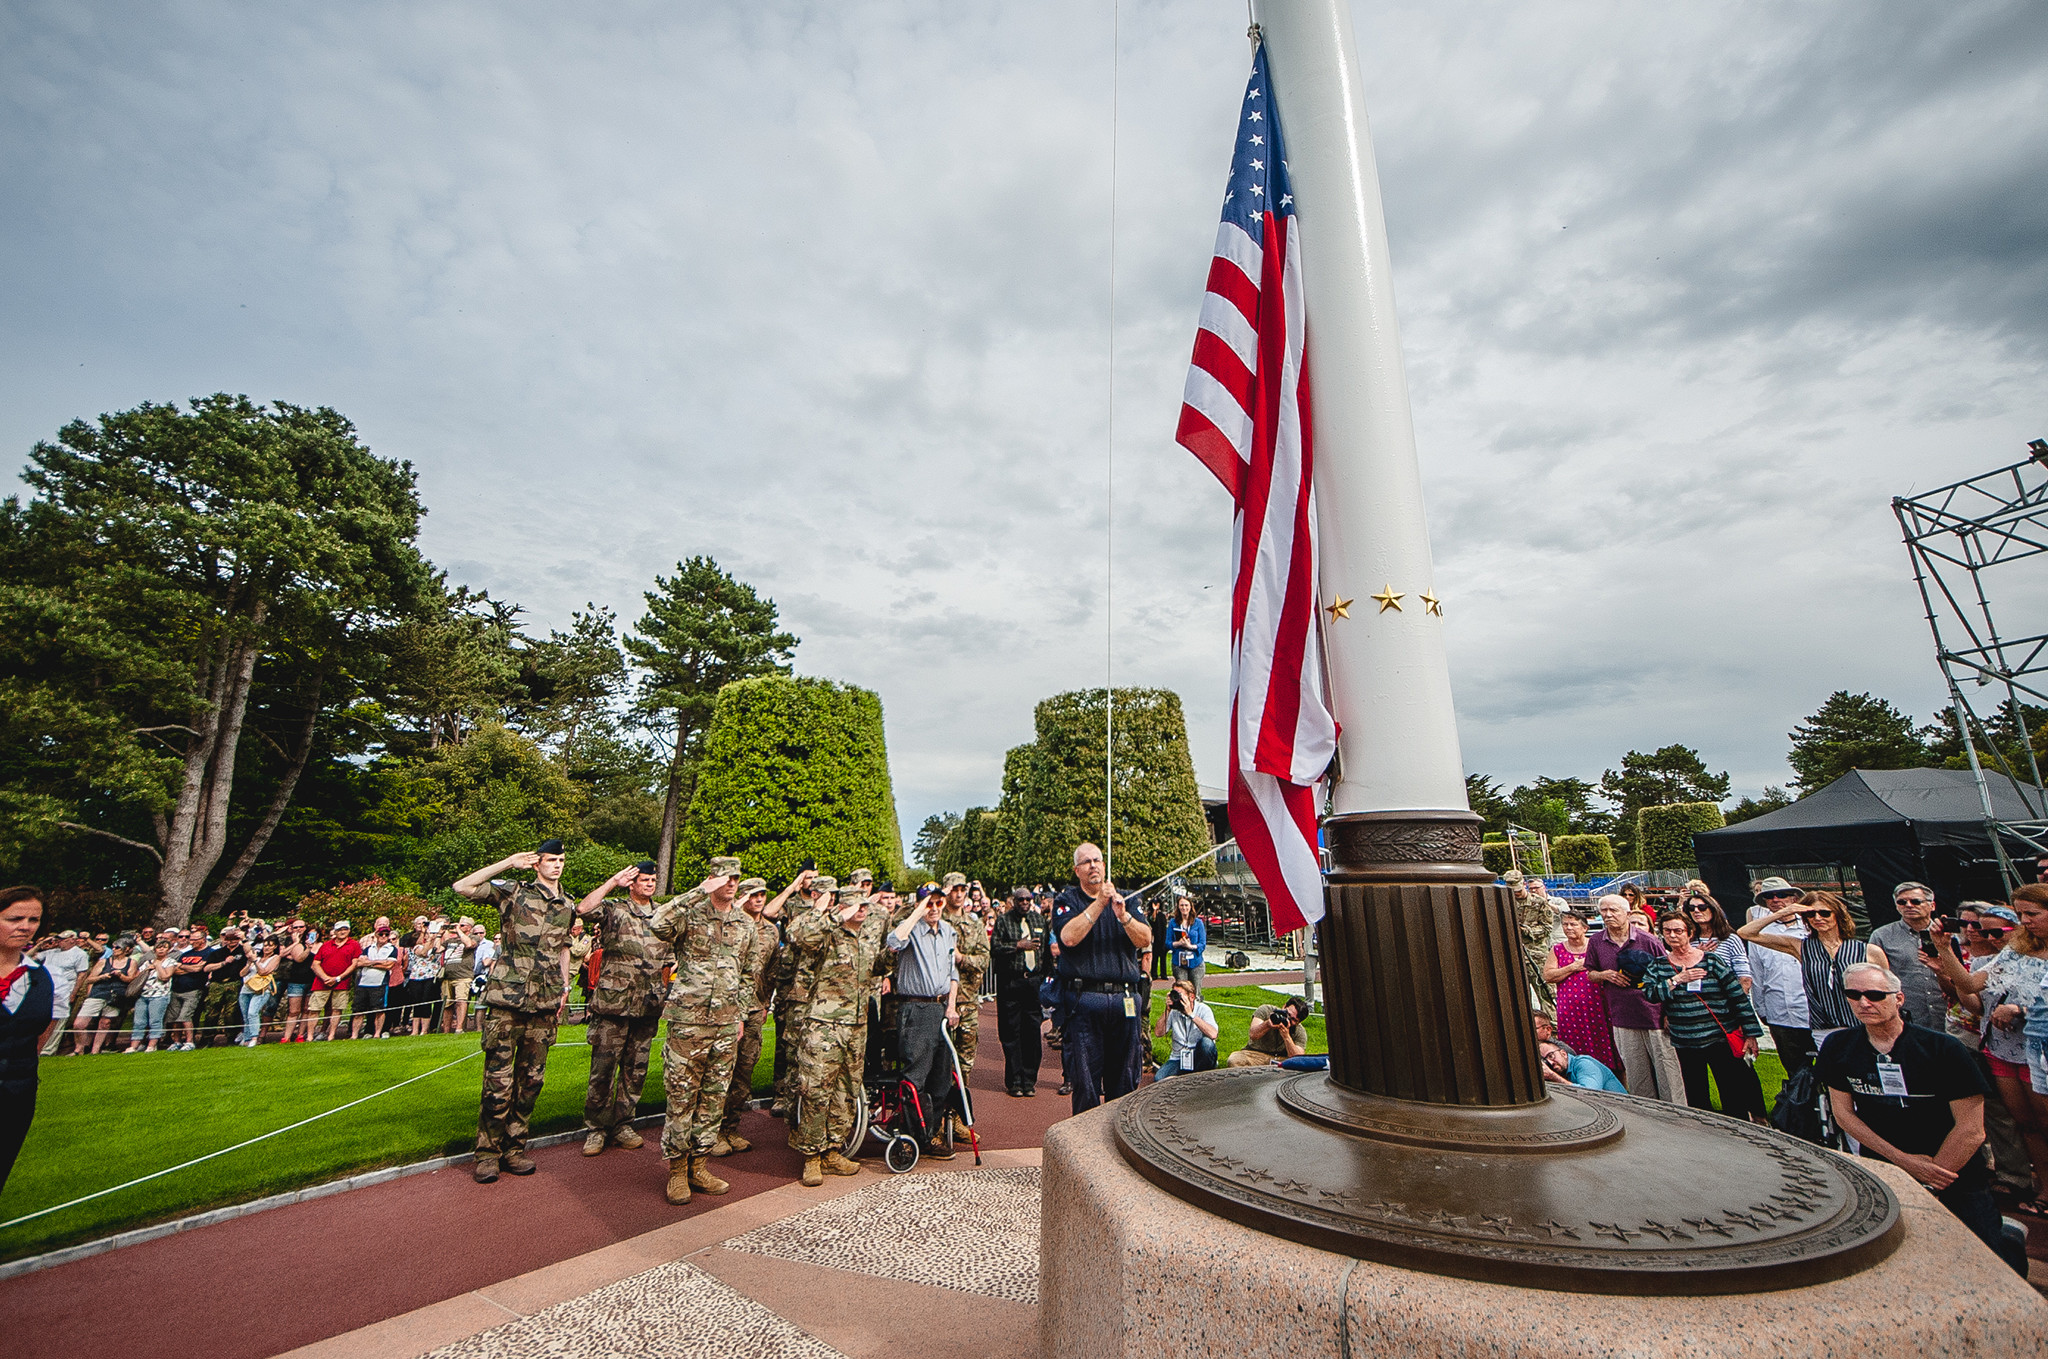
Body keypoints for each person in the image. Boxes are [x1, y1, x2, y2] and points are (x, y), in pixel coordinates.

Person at [1818, 961, 2026, 1273]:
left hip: (1954, 1168)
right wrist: (1904, 1163)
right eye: (1854, 994)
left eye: (1875, 994)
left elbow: (1971, 1130)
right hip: (1887, 1167)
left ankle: (2009, 1238)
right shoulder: (1838, 1046)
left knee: (1987, 1260)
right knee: (1899, 1258)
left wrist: (1931, 1180)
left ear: (1898, 998)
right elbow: (1844, 1115)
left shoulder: (1944, 1049)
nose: (1864, 1002)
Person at [454, 842, 576, 1184]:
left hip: (545, 1003)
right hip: (507, 1000)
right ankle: (488, 1153)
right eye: (551, 860)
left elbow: (563, 948)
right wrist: (508, 862)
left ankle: (514, 1148)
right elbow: (462, 887)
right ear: (537, 863)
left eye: (562, 861)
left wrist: (565, 986)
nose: (557, 866)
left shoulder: (567, 904)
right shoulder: (514, 893)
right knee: (498, 1082)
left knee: (531, 1082)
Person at [1930, 884, 2048, 1213]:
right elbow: (1968, 985)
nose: (2025, 921)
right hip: (2005, 1050)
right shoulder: (2016, 950)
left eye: (2032, 914)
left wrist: (2021, 1012)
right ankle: (2045, 1190)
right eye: (2021, 914)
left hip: (2041, 1051)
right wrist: (1945, 950)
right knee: (2026, 1124)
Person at [650, 856, 754, 1204]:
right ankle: (677, 1171)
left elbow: (748, 974)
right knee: (682, 1096)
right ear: (711, 879)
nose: (731, 883)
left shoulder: (744, 924)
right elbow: (657, 922)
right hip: (689, 1022)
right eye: (724, 877)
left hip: (725, 1024)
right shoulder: (690, 913)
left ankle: (699, 1165)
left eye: (735, 877)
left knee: (713, 1098)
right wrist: (695, 892)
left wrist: (739, 1014)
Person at [789, 881, 887, 1187]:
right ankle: (811, 1156)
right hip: (824, 1023)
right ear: (842, 906)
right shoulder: (826, 931)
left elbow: (875, 967)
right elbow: (797, 935)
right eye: (857, 905)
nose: (863, 910)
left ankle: (833, 1149)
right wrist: (834, 916)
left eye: (865, 905)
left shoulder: (868, 935)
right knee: (816, 1089)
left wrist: (893, 954)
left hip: (856, 1024)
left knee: (847, 1090)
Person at [576, 861, 673, 1158]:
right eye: (644, 880)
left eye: (653, 880)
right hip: (613, 1005)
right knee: (602, 1070)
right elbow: (582, 909)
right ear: (632, 883)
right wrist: (612, 882)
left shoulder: (661, 916)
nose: (650, 884)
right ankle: (596, 1129)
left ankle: (623, 1124)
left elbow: (669, 961)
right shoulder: (615, 909)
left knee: (636, 1070)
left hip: (647, 1006)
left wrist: (665, 992)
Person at [1051, 843, 1151, 1115]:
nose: (1093, 865)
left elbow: (1145, 938)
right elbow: (1069, 937)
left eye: (1097, 860)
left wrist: (1123, 916)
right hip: (1085, 1002)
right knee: (1086, 1083)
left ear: (1105, 865)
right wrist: (1098, 904)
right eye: (1086, 862)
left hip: (1125, 1000)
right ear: (1076, 870)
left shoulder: (1127, 898)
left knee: (1126, 1081)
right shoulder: (1067, 901)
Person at [1641, 911, 1767, 1122]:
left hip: (1719, 1037)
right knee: (1696, 1094)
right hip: (1685, 1041)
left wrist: (1751, 1033)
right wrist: (1677, 979)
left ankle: (1740, 1132)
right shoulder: (1658, 965)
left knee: (1732, 1093)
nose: (1673, 935)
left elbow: (1737, 996)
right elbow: (1650, 994)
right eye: (1667, 931)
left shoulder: (1712, 961)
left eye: (1678, 931)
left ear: (1689, 933)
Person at [1738, 889, 1887, 1048]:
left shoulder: (1867, 950)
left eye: (1824, 913)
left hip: (1860, 1024)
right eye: (1811, 914)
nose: (1818, 918)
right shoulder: (1801, 946)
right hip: (1823, 1027)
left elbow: (1887, 991)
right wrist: (1782, 913)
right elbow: (1746, 933)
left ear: (1837, 914)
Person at [714, 873, 790, 1158]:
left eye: (762, 895)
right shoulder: (730, 924)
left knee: (744, 1071)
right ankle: (712, 1131)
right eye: (753, 894)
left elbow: (771, 971)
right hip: (728, 1008)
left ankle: (730, 1127)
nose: (759, 900)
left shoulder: (771, 931)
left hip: (755, 1008)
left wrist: (764, 1003)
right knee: (721, 1070)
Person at [1585, 893, 1684, 1101]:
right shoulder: (1596, 941)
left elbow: (1668, 977)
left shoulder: (1648, 941)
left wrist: (1669, 1014)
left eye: (1614, 910)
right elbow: (1590, 974)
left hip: (1653, 1016)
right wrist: (1604, 975)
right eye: (1604, 910)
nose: (1608, 915)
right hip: (1622, 1017)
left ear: (1627, 913)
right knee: (1638, 1075)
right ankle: (1647, 1119)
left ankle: (1678, 1117)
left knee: (1668, 1074)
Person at [888, 883, 961, 1159]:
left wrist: (951, 1006)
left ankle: (931, 1134)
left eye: (938, 903)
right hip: (915, 1008)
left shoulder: (948, 932)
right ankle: (911, 1138)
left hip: (941, 1008)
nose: (933, 909)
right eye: (928, 903)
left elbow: (952, 972)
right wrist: (918, 910)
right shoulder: (910, 930)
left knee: (941, 1078)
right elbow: (894, 942)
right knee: (914, 1076)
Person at [0, 888, 52, 1194]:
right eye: (15, 918)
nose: (26, 926)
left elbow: (39, 1035)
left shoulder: (40, 976)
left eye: (34, 919)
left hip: (18, 1092)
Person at [771, 874, 835, 1117]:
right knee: (794, 1054)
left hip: (826, 999)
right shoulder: (805, 920)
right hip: (800, 996)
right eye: (828, 894)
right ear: (817, 895)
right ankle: (790, 1107)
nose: (832, 900)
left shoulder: (837, 920)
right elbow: (796, 938)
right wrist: (816, 911)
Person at [1742, 877, 1814, 1074]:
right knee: (1795, 1072)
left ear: (1793, 898)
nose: (1775, 899)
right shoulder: (1760, 933)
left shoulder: (1811, 927)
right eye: (1769, 896)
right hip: (1780, 1013)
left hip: (1814, 1013)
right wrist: (1761, 1009)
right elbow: (1756, 973)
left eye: (1781, 895)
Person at [1542, 910, 1617, 1072]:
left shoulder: (1596, 946)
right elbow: (1548, 975)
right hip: (1571, 1011)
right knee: (1576, 1047)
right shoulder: (1557, 949)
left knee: (1606, 1047)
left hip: (1598, 1007)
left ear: (1584, 928)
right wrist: (1573, 967)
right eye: (1565, 924)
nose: (1568, 928)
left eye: (1573, 924)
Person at [992, 886, 1049, 1096]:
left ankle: (1029, 1080)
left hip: (1032, 983)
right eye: (1020, 900)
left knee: (1032, 1032)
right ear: (1014, 902)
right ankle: (1014, 1081)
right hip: (1010, 983)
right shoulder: (1003, 921)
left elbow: (1046, 953)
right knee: (1010, 1033)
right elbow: (995, 948)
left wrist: (1046, 976)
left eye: (1028, 899)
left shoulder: (1039, 920)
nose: (1024, 903)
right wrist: (1017, 945)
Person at [1869, 882, 1948, 1031]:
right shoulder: (1882, 936)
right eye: (1902, 902)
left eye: (1916, 901)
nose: (1909, 905)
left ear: (1932, 905)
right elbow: (1877, 978)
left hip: (1947, 1013)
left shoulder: (1948, 935)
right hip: (1908, 1016)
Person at [71, 940, 136, 1055]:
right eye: (114, 947)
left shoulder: (131, 962)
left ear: (126, 950)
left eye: (117, 948)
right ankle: (79, 1048)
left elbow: (131, 979)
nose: (114, 950)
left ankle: (95, 1050)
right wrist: (102, 977)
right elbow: (89, 979)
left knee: (105, 1023)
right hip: (98, 993)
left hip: (116, 995)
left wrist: (120, 975)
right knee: (79, 1024)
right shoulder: (103, 962)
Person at [1681, 891, 1751, 994]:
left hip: (1727, 998)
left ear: (1713, 909)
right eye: (1691, 908)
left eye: (1702, 907)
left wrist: (1738, 1002)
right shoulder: (1687, 940)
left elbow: (1744, 977)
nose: (1696, 911)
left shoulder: (1730, 939)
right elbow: (1679, 971)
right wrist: (1696, 955)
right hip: (1697, 998)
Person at [35, 931, 91, 1057]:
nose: (58, 942)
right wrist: (39, 945)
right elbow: (26, 957)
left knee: (57, 1019)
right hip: (45, 989)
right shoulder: (51, 952)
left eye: (62, 939)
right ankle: (38, 1047)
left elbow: (81, 975)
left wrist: (73, 993)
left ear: (72, 939)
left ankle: (48, 1050)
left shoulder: (79, 954)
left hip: (64, 990)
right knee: (42, 1019)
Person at [1507, 871, 1556, 1009]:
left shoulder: (1539, 902)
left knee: (1547, 994)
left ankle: (1552, 1028)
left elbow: (1547, 928)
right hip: (1513, 956)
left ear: (1523, 884)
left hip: (1536, 955)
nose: (1515, 893)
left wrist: (1527, 931)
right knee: (1518, 998)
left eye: (1517, 889)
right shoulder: (1505, 902)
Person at [1152, 979, 1218, 1078]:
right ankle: (1188, 1076)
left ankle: (1202, 1076)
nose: (1177, 999)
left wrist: (1191, 1015)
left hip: (1199, 1057)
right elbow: (1158, 1033)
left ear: (1191, 997)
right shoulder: (1173, 1011)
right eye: (1174, 995)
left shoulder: (1204, 1009)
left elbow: (1213, 1034)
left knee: (1207, 1043)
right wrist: (1167, 1010)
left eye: (1179, 995)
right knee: (1159, 1079)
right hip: (1179, 1058)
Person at [309, 921, 361, 1041]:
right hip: (321, 982)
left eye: (345, 929)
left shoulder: (354, 944)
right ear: (335, 931)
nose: (342, 932)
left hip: (342, 983)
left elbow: (354, 964)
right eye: (339, 930)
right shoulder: (326, 945)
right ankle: (310, 1036)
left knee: (337, 1009)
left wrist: (338, 978)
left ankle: (331, 1035)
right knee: (314, 1009)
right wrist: (325, 978)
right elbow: (315, 964)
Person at [350, 918, 401, 1040]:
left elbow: (388, 965)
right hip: (363, 982)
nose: (383, 936)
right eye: (381, 934)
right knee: (359, 1010)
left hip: (380, 983)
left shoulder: (391, 949)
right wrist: (378, 962)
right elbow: (359, 963)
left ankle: (377, 1033)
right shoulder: (369, 948)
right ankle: (354, 1035)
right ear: (376, 934)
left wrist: (370, 962)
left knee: (379, 1009)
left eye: (386, 934)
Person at [125, 940, 177, 1052]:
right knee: (139, 1021)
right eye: (159, 947)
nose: (161, 949)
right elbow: (136, 977)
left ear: (168, 950)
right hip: (143, 995)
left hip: (159, 996)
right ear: (155, 950)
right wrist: (147, 969)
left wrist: (158, 965)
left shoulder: (170, 962)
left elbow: (165, 977)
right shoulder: (147, 962)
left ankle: (152, 1045)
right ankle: (134, 1045)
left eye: (164, 947)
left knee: (155, 1021)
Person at [1228, 996, 1310, 1066]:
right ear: (1284, 1006)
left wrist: (1286, 1036)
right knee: (1234, 1060)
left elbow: (1298, 1058)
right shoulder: (1266, 1011)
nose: (1287, 1018)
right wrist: (1267, 1024)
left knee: (1298, 1068)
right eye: (1287, 1013)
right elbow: (1253, 1035)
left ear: (1298, 1022)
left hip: (1281, 1059)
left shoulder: (1299, 1031)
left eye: (1293, 1019)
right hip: (1255, 1054)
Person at [166, 928, 211, 1051]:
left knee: (185, 1016)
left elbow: (198, 969)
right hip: (176, 989)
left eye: (194, 939)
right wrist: (189, 968)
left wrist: (183, 967)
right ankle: (176, 1041)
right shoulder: (185, 954)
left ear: (202, 940)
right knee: (175, 1018)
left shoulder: (209, 953)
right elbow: (174, 970)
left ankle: (189, 1041)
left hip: (193, 990)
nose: (191, 942)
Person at [1538, 1037, 1628, 1093]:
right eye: (1545, 1061)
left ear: (1563, 1053)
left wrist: (1552, 1076)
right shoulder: (1562, 1072)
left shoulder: (1584, 1064)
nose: (1551, 1062)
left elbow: (1591, 1093)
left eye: (1551, 1056)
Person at [236, 940, 280, 1046]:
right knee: (246, 1015)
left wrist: (256, 961)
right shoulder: (257, 958)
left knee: (253, 1012)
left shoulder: (275, 958)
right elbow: (242, 973)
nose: (267, 948)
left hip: (262, 989)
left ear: (275, 947)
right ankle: (247, 1038)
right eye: (265, 946)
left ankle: (254, 1037)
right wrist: (250, 962)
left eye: (270, 946)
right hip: (246, 989)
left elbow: (263, 972)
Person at [277, 922, 315, 1043]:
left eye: (301, 927)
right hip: (296, 979)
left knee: (306, 1009)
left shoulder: (312, 939)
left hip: (311, 978)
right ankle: (287, 1036)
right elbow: (299, 958)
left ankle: (300, 1035)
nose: (299, 929)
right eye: (296, 927)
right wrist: (300, 945)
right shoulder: (290, 940)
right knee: (293, 1010)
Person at [403, 922, 444, 1036]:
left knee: (426, 1002)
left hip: (430, 976)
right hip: (417, 977)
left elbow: (438, 949)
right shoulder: (417, 947)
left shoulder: (435, 943)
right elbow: (424, 952)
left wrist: (438, 935)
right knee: (417, 1003)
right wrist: (429, 939)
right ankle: (415, 1030)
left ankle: (424, 1030)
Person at [440, 919, 480, 1034]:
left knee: (460, 1001)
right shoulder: (451, 940)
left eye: (462, 925)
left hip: (463, 975)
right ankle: (446, 1030)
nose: (459, 927)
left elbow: (469, 944)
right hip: (447, 976)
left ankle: (459, 1028)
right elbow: (438, 949)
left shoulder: (473, 937)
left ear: (469, 927)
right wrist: (438, 934)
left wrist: (458, 931)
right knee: (447, 1004)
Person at [1166, 895, 1207, 996]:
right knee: (1182, 991)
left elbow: (1202, 944)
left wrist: (1190, 946)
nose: (1184, 908)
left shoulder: (1198, 923)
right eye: (1182, 905)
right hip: (1179, 962)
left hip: (1195, 962)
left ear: (1190, 906)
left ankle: (1196, 1010)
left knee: (1195, 992)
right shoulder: (1173, 923)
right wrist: (1179, 943)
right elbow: (1168, 942)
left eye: (1186, 905)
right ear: (1178, 907)